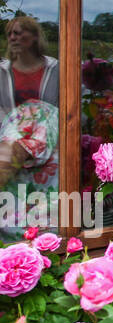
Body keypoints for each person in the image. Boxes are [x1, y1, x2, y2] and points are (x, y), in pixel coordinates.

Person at [0, 16, 59, 236]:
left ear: (35, 36)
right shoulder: (2, 71)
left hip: (49, 151)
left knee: (44, 214)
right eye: (10, 34)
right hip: (10, 147)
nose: (14, 37)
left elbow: (68, 110)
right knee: (12, 213)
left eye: (19, 32)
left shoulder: (56, 69)